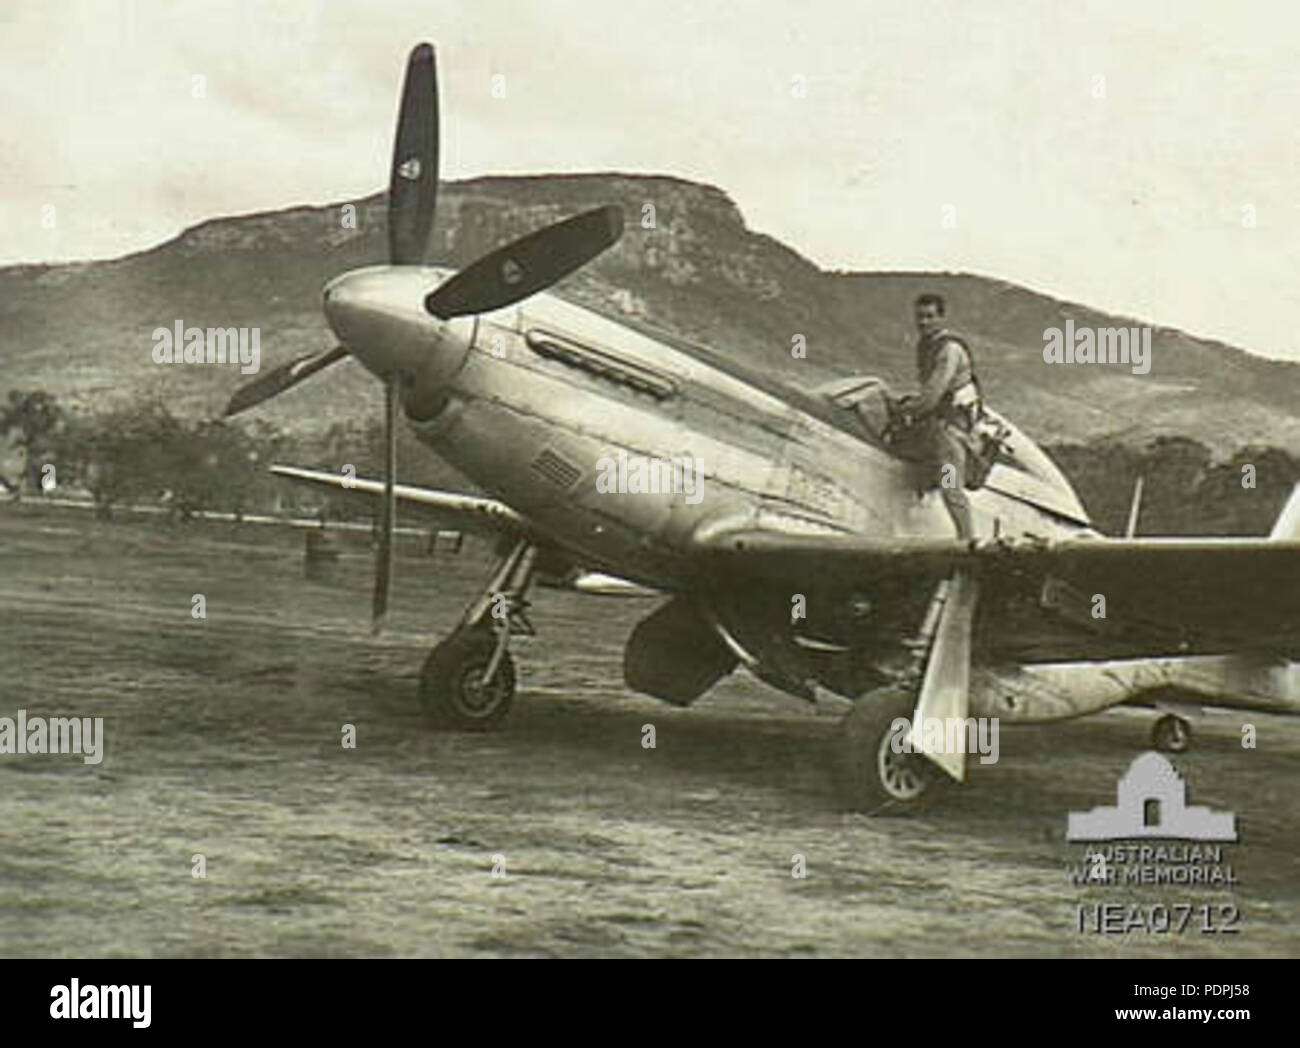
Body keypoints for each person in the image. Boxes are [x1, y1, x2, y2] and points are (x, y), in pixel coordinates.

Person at [898, 292, 980, 540]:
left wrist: (907, 410)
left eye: (930, 316)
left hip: (949, 429)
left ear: (941, 318)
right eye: (920, 317)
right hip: (937, 425)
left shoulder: (948, 349)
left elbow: (933, 394)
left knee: (950, 485)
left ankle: (968, 543)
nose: (923, 322)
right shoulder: (928, 345)